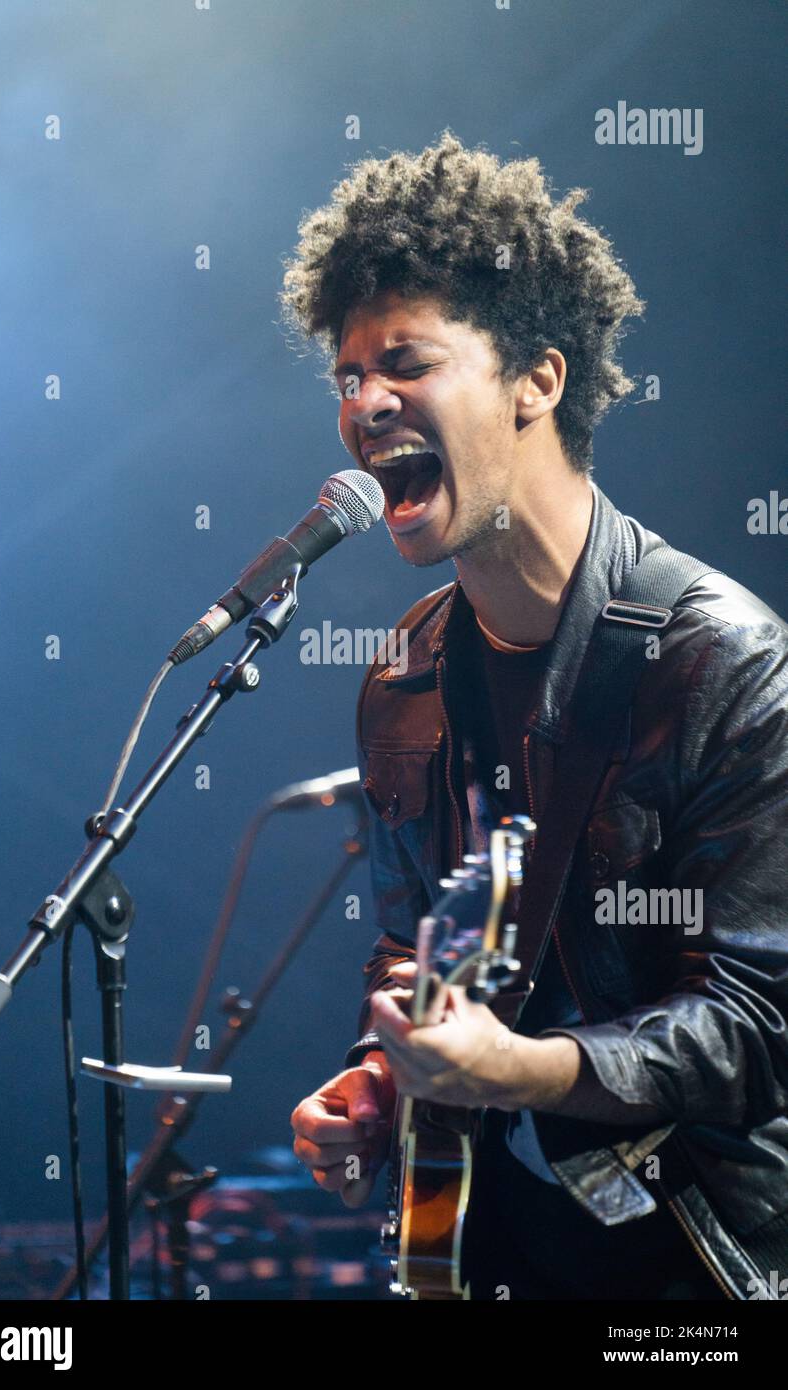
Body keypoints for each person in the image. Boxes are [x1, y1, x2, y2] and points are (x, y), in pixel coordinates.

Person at [285, 132, 788, 1300]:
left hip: (699, 1268)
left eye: (403, 362)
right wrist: (379, 1072)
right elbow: (422, 944)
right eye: (346, 379)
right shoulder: (406, 673)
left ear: (537, 380)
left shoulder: (721, 659)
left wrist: (526, 1068)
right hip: (496, 1249)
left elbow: (759, 1024)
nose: (364, 405)